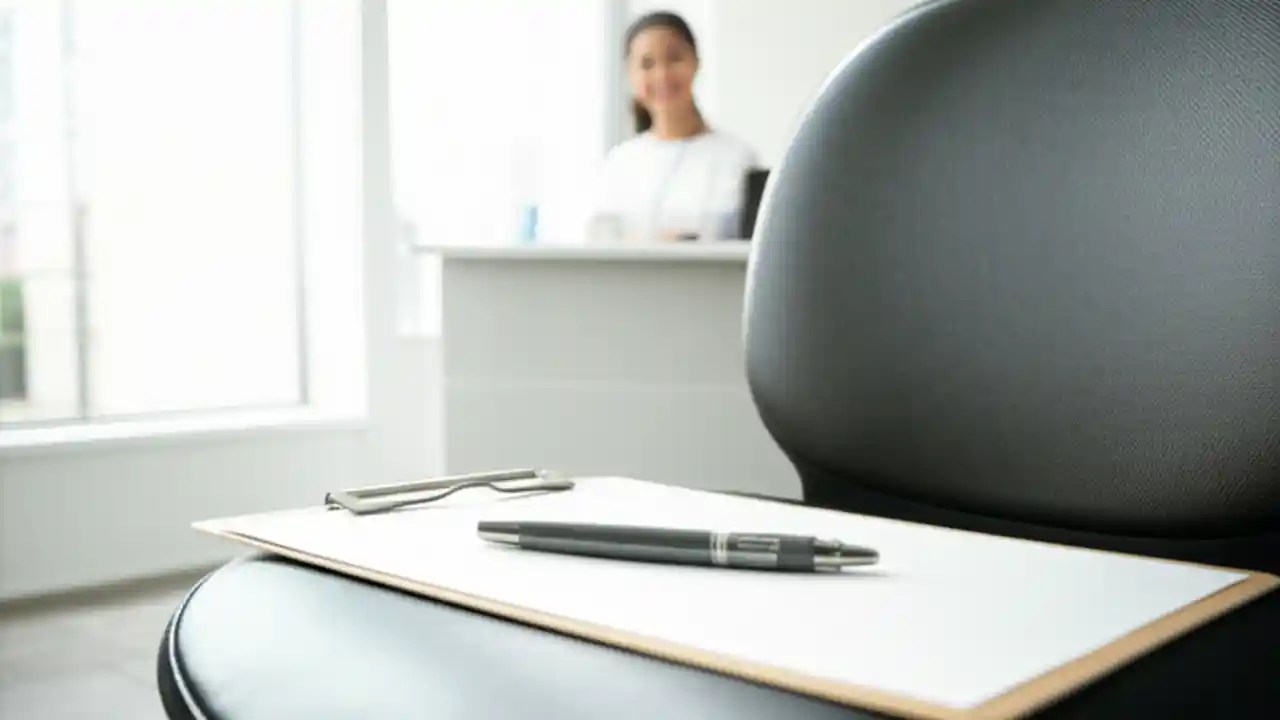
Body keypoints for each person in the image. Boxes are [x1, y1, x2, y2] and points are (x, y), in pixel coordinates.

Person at [591, 12, 759, 243]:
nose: (662, 75)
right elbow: (601, 244)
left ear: (696, 61)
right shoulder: (619, 162)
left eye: (674, 58)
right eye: (647, 64)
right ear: (630, 75)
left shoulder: (737, 158)